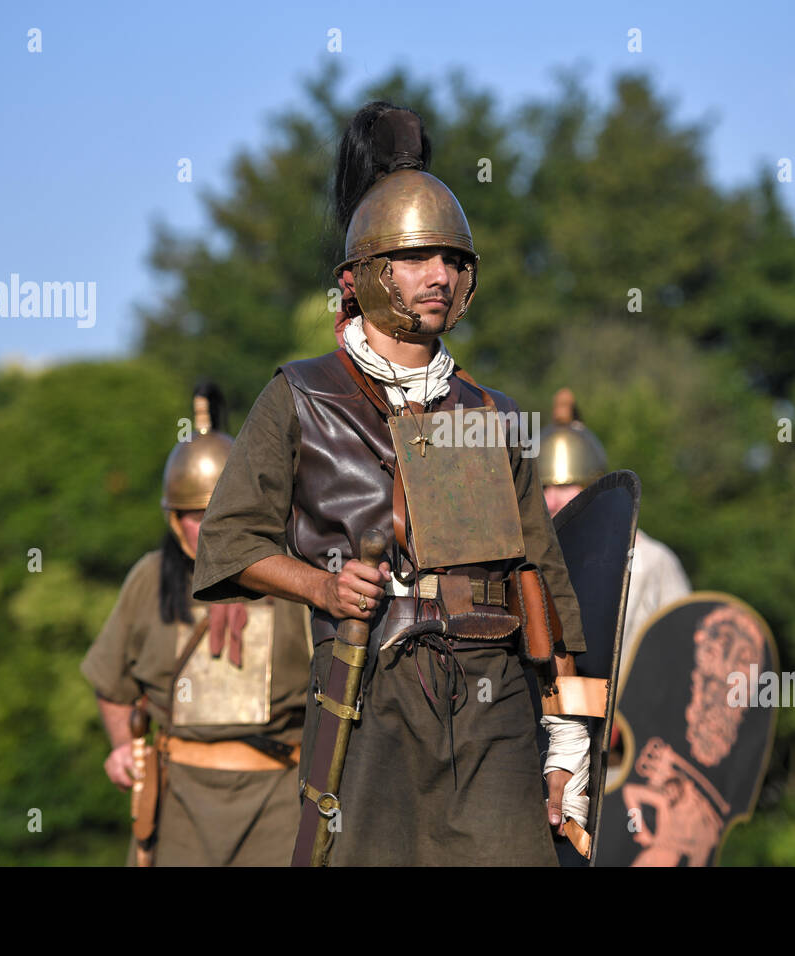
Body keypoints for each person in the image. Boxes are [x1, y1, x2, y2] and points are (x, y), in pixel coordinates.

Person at [192, 103, 590, 866]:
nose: (438, 275)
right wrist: (322, 589)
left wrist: (567, 739)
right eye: (415, 258)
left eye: (450, 259)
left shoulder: (491, 414)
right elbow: (229, 540)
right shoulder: (301, 396)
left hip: (494, 704)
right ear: (364, 276)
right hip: (366, 688)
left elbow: (544, 576)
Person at [81, 383, 313, 866]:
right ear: (173, 519)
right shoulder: (149, 580)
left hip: (278, 799)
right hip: (180, 803)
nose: (208, 527)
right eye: (194, 516)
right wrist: (125, 749)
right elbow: (111, 684)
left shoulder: (298, 577)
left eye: (218, 512)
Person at [538, 388, 691, 674]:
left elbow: (684, 658)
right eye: (544, 488)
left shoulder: (651, 560)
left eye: (562, 486)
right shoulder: (535, 565)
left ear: (593, 488)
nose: (550, 500)